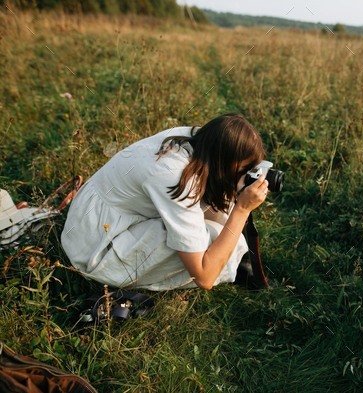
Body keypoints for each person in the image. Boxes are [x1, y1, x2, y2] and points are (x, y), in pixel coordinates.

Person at [61, 113, 269, 291]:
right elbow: (205, 277)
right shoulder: (177, 178)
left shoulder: (194, 139)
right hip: (95, 249)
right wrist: (241, 209)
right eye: (241, 171)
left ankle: (232, 258)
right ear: (221, 163)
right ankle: (233, 265)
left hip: (98, 218)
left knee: (225, 220)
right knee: (220, 241)